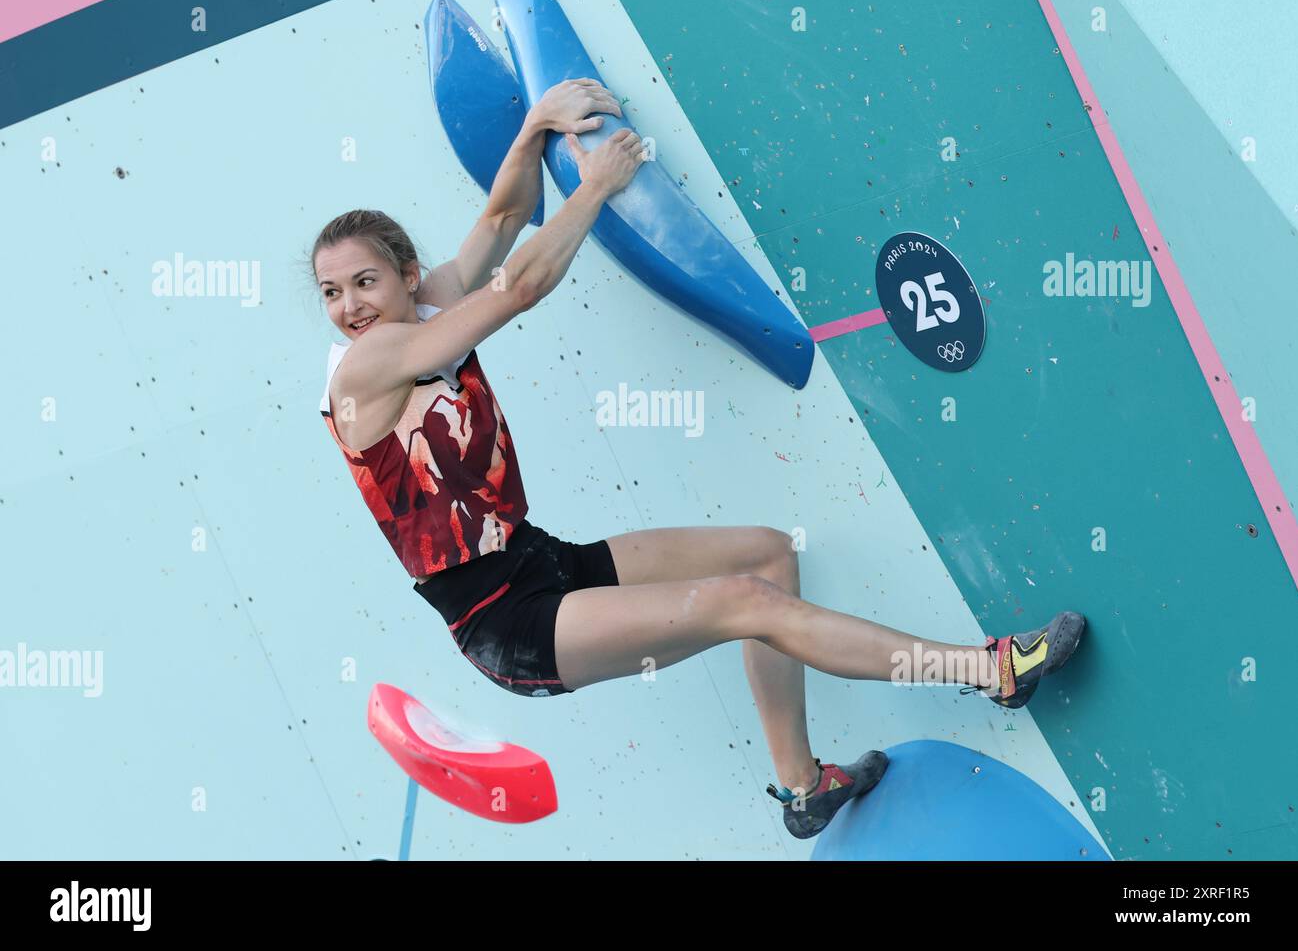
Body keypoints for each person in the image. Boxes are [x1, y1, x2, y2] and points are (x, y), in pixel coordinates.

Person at [311, 78, 1087, 840]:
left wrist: (534, 128)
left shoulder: (428, 308)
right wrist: (594, 188)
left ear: (409, 277)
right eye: (331, 293)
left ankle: (802, 786)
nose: (350, 306)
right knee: (742, 601)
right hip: (507, 621)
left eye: (364, 281)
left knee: (768, 556)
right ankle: (989, 671)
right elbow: (519, 288)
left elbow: (506, 215)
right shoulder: (366, 366)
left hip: (540, 560)